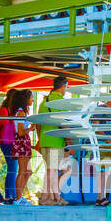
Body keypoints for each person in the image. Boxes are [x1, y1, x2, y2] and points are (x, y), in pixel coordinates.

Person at [36, 75, 68, 205]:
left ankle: (52, 196)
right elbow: (62, 123)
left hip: (44, 140)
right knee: (53, 170)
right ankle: (49, 197)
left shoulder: (44, 102)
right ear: (63, 86)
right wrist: (69, 140)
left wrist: (39, 139)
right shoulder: (60, 102)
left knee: (50, 169)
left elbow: (38, 124)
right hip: (56, 141)